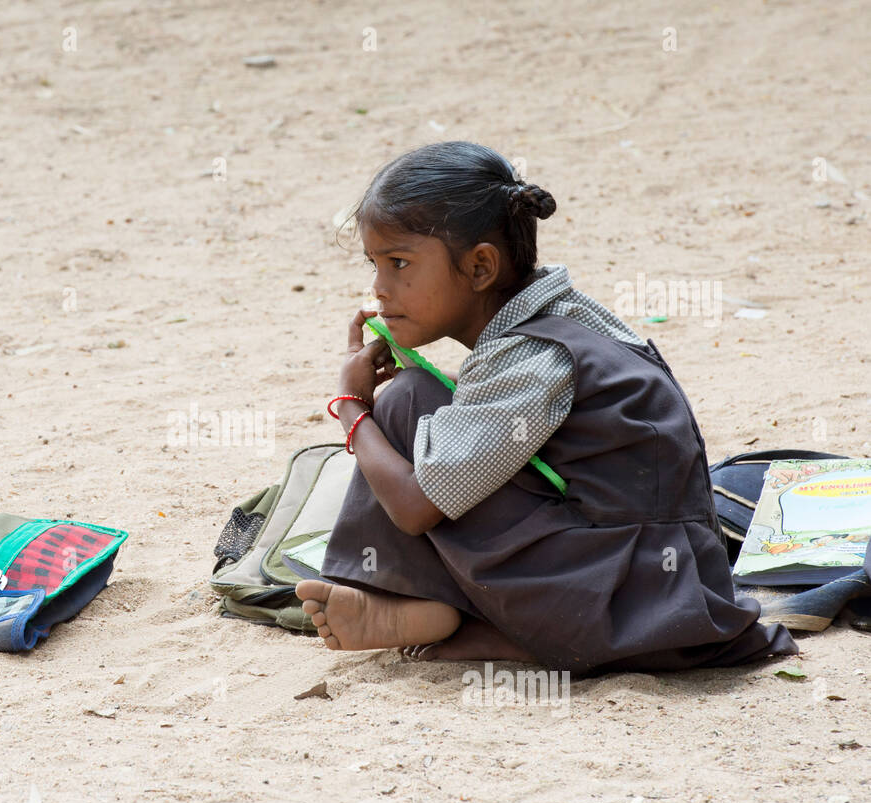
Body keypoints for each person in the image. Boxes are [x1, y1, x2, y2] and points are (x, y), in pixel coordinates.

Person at [294, 141, 799, 677]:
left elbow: (417, 506)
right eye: (375, 264)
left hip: (626, 604)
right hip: (662, 588)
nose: (380, 288)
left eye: (399, 263)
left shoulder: (534, 357)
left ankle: (466, 616)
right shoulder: (562, 314)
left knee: (403, 403)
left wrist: (352, 408)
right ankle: (456, 613)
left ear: (481, 266)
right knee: (420, 402)